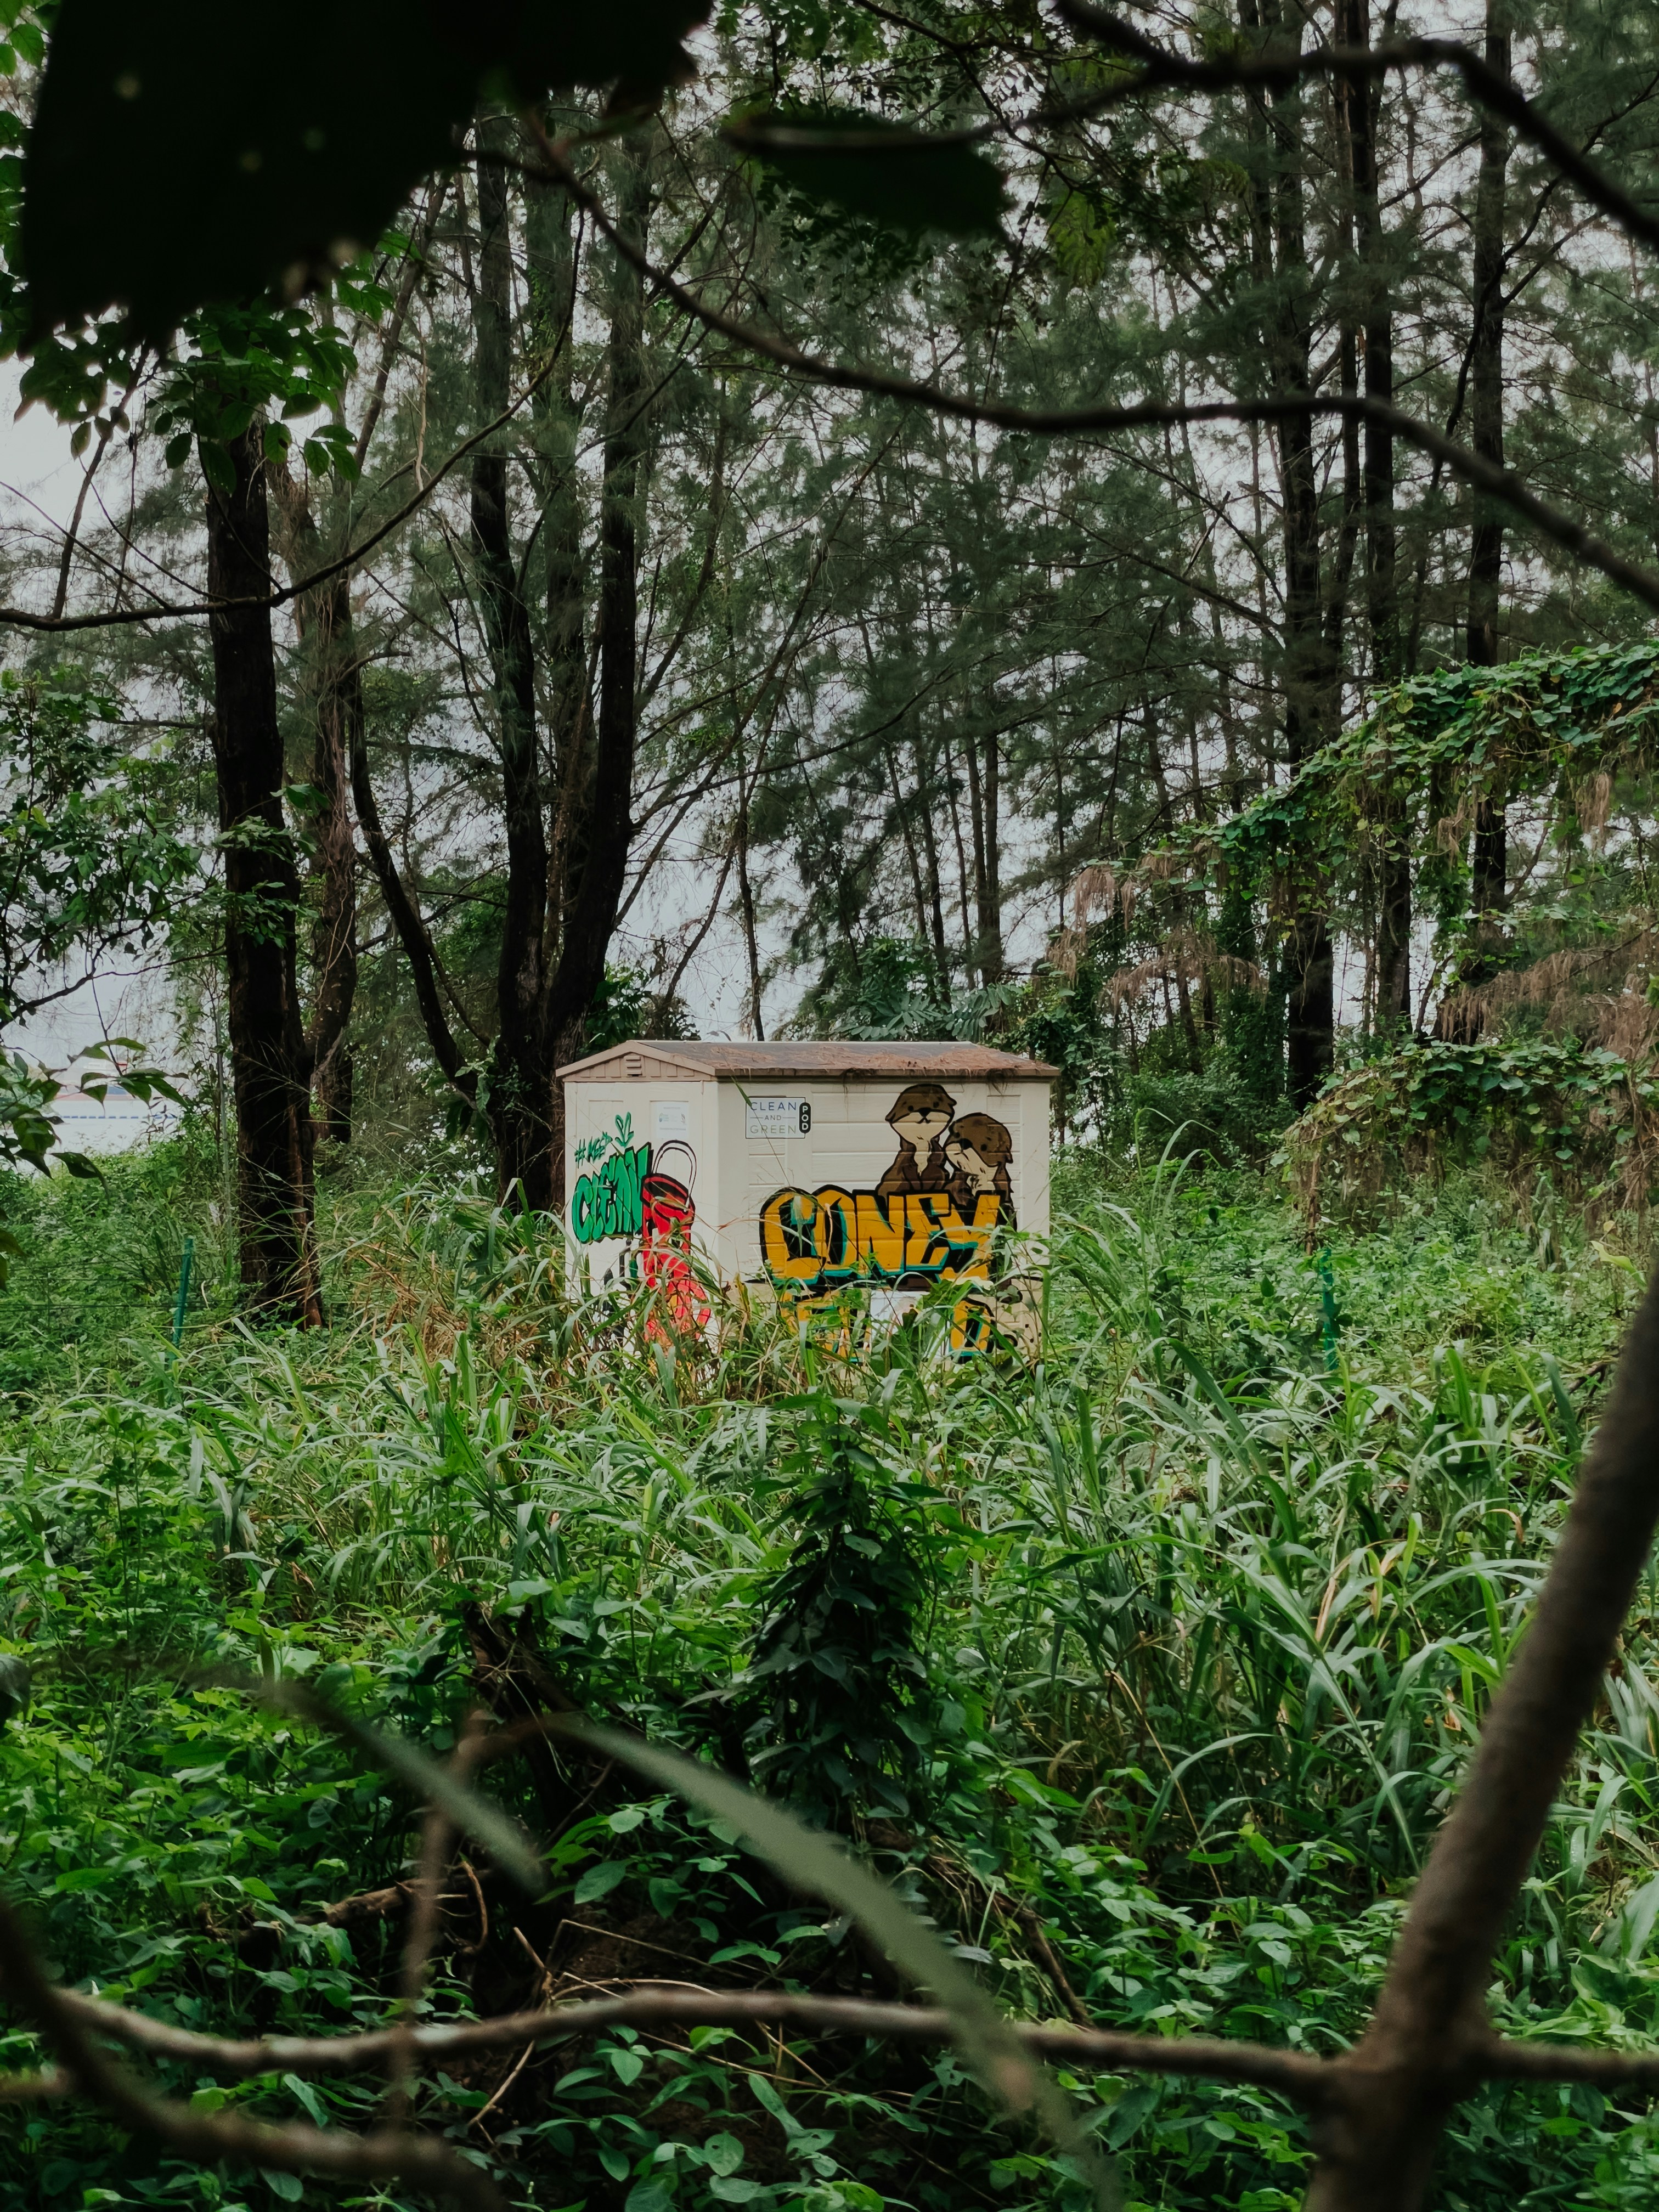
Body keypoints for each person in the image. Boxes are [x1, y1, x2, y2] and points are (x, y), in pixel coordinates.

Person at [875, 1082, 955, 1199]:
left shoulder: (938, 1156)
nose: (924, 1111)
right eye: (911, 1109)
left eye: (935, 1105)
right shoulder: (903, 1162)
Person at [941, 1111, 1015, 1225]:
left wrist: (990, 1195)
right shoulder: (957, 1186)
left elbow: (1008, 1229)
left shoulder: (999, 1185)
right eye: (959, 1164)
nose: (963, 1166)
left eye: (965, 1159)